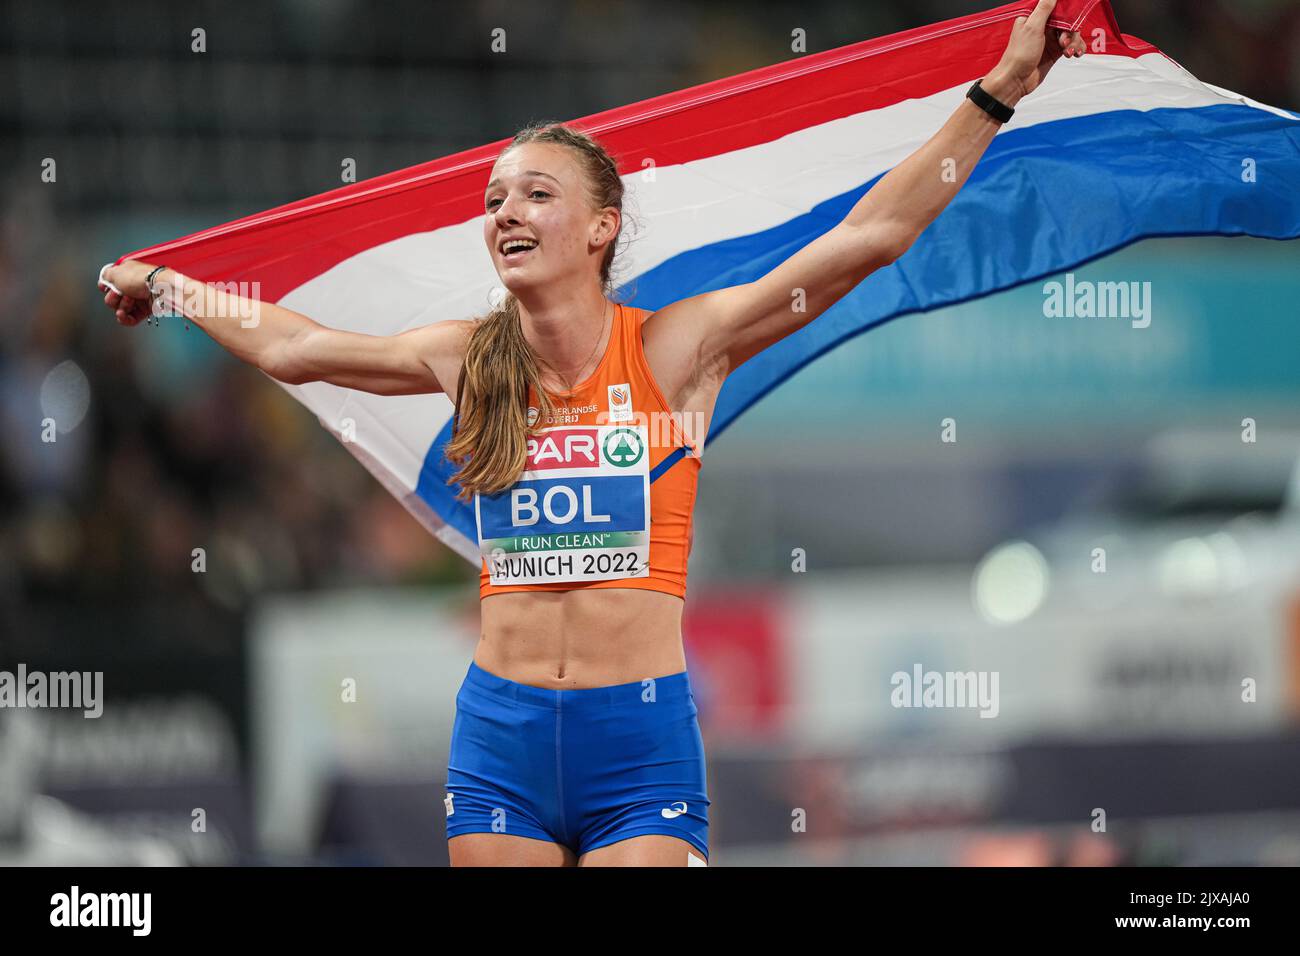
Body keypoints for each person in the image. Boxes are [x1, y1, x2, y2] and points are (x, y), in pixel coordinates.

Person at [98, 0, 1085, 866]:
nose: (505, 212)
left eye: (535, 193)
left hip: (638, 734)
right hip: (501, 733)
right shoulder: (465, 355)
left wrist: (994, 92)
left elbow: (868, 238)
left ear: (601, 226)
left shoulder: (676, 349)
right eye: (493, 200)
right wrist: (176, 286)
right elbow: (301, 347)